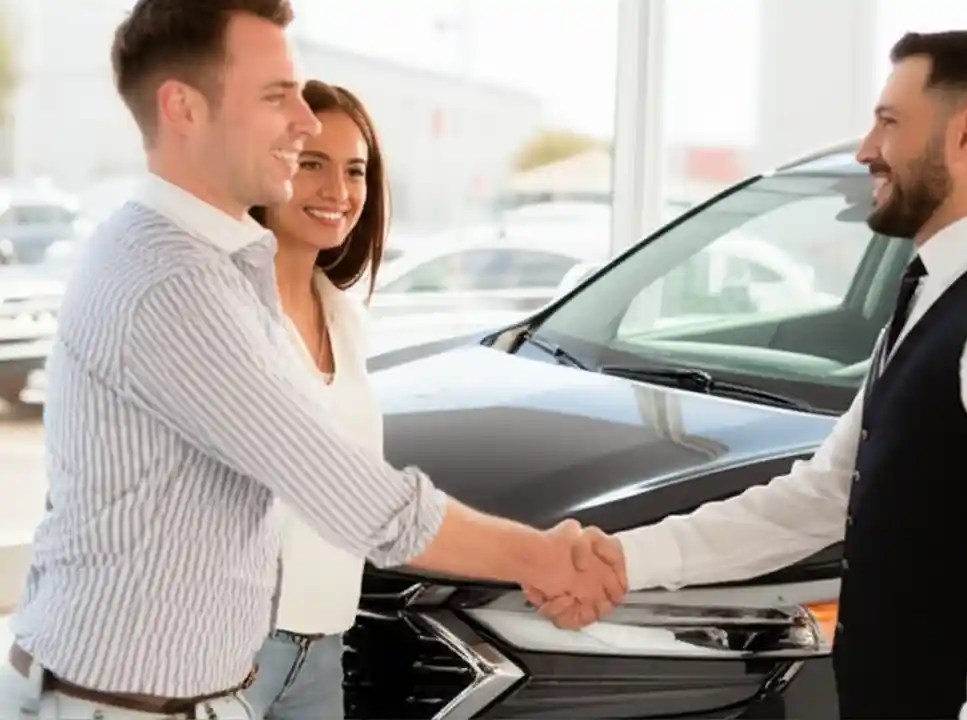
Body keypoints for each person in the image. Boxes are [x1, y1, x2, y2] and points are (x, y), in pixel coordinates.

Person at [2, 1, 622, 718]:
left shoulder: (220, 265)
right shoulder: (172, 283)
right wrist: (541, 560)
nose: (301, 120)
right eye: (276, 95)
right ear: (184, 108)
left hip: (194, 694)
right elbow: (354, 498)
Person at [533, 30, 967, 719]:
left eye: (890, 122)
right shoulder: (932, 294)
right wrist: (626, 560)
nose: (866, 148)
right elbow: (819, 496)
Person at [234, 79, 386, 719]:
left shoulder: (347, 319)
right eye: (312, 164)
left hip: (321, 646)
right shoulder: (223, 310)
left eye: (355, 171)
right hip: (231, 650)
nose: (339, 192)